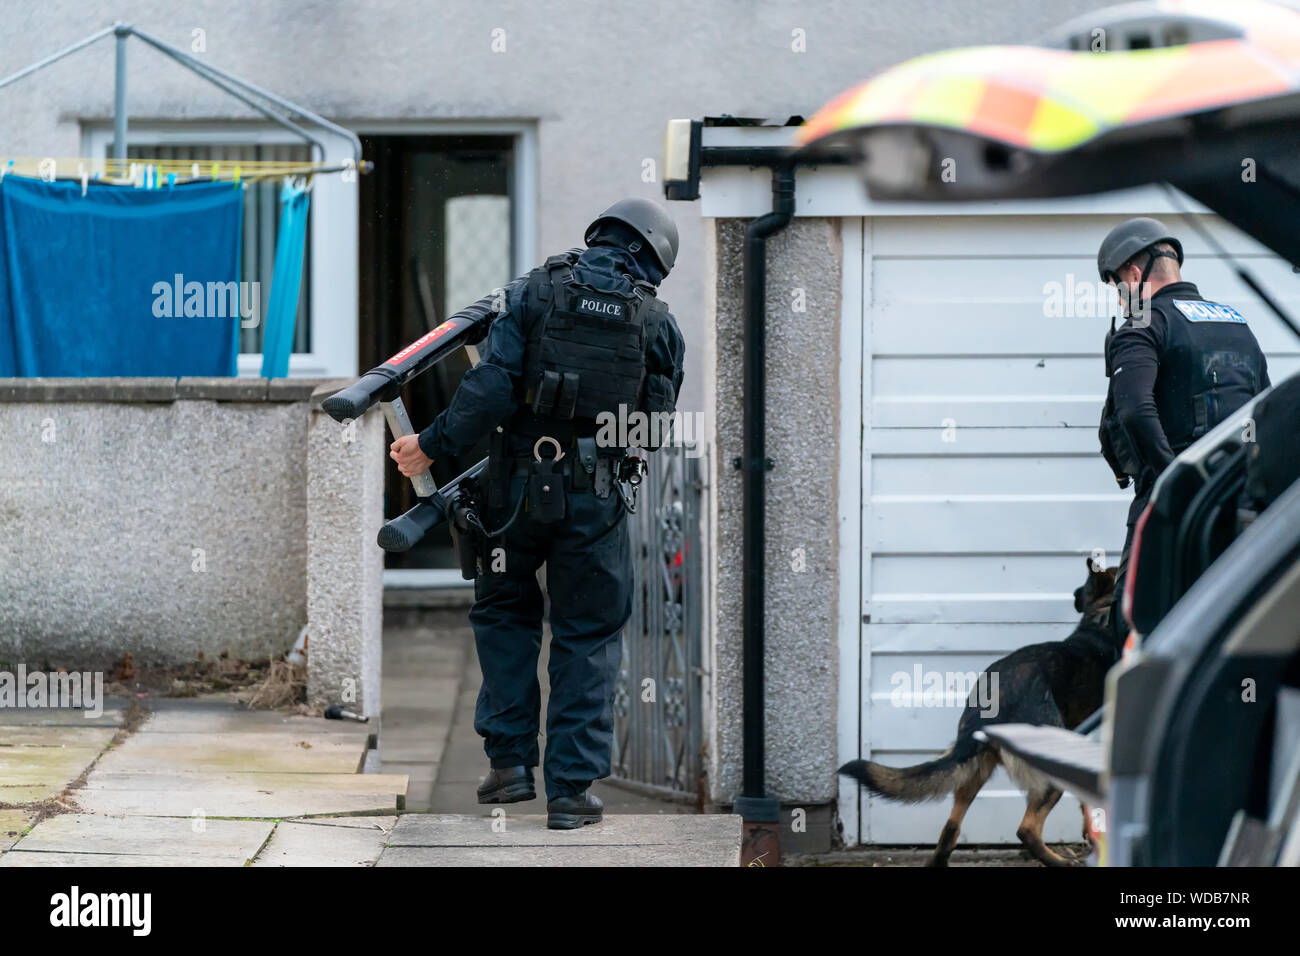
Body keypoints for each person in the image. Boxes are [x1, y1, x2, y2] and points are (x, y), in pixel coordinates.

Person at [388, 198, 686, 829]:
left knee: (505, 616)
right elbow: (651, 428)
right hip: (594, 498)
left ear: (598, 235)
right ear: (653, 258)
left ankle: (508, 769)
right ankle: (572, 793)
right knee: (587, 634)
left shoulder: (530, 293)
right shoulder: (658, 322)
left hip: (511, 493)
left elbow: (490, 389)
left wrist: (430, 446)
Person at [1096, 217, 1269, 646]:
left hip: (1171, 508)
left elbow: (1134, 410)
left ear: (1134, 275)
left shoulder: (1143, 323)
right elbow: (1266, 409)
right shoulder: (1236, 323)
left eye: (1118, 288)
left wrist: (1177, 478)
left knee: (1135, 626)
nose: (1120, 302)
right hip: (1237, 507)